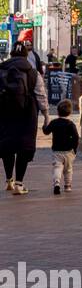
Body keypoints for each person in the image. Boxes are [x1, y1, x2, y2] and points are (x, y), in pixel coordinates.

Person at [0, 42, 40, 195]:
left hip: (4, 113)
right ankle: (19, 183)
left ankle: (8, 181)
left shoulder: (2, 69)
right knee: (24, 147)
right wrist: (47, 116)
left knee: (7, 146)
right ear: (25, 55)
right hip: (26, 114)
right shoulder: (32, 72)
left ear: (11, 55)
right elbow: (41, 96)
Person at [44, 99, 79, 195]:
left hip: (57, 151)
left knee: (57, 167)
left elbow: (46, 132)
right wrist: (74, 149)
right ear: (70, 112)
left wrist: (45, 123)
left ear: (58, 112)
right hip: (68, 151)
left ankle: (57, 183)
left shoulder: (54, 122)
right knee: (68, 169)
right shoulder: (71, 124)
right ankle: (67, 186)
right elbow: (76, 137)